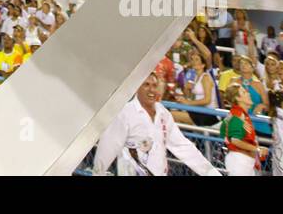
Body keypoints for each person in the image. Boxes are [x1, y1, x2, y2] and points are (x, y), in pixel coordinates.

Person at [92, 73, 221, 176]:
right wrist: (98, 173)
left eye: (154, 85)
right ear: (137, 87)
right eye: (146, 85)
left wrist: (210, 172)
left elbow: (182, 146)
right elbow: (108, 147)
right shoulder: (125, 113)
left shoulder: (163, 113)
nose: (151, 90)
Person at [221, 82, 266, 175]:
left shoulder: (239, 114)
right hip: (239, 161)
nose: (249, 94)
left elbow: (223, 132)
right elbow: (235, 140)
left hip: (243, 161)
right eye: (244, 92)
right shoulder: (237, 115)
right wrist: (257, 149)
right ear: (238, 98)